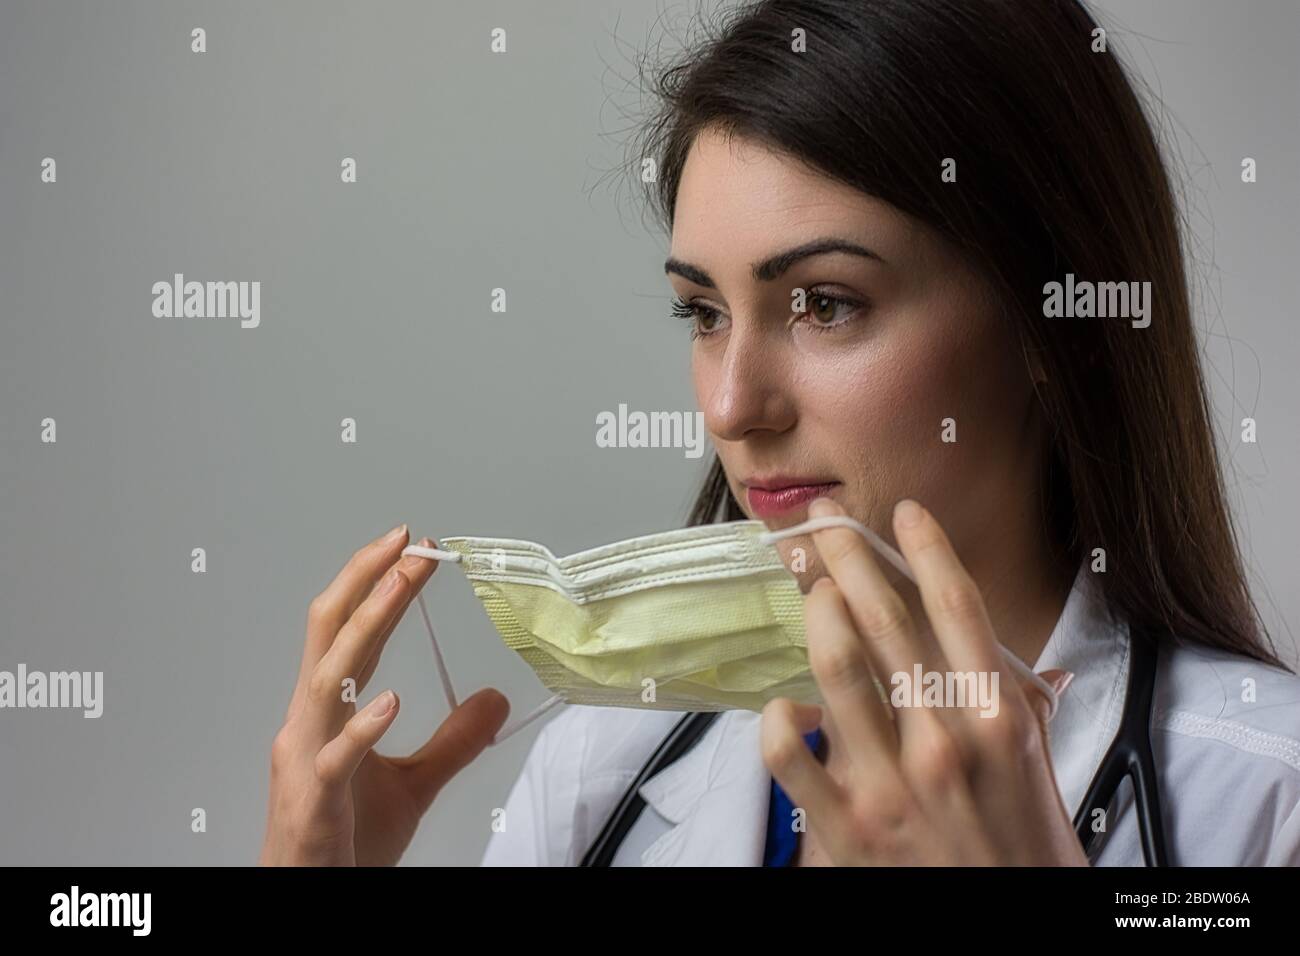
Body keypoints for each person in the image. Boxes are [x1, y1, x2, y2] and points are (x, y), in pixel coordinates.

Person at [258, 0, 1300, 866]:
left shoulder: (1260, 797)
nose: (730, 406)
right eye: (703, 313)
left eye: (825, 303)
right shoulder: (599, 771)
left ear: (1046, 323)